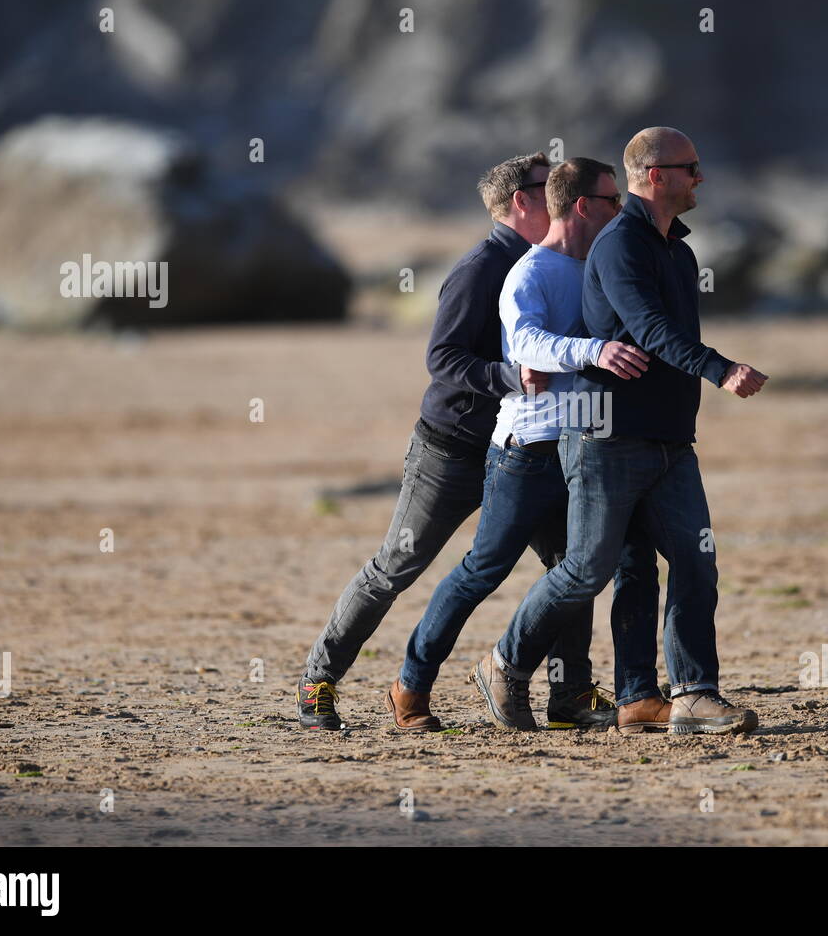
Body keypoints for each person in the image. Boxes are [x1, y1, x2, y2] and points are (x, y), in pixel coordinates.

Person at [476, 127, 769, 736]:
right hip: (604, 432)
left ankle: (677, 695)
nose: (701, 177)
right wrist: (721, 369)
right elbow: (649, 327)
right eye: (691, 167)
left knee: (692, 560)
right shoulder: (619, 245)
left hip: (668, 436)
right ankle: (506, 661)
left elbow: (661, 332)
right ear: (655, 175)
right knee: (589, 566)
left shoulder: (676, 250)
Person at [297, 151, 575, 731]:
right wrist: (508, 377)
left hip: (527, 446)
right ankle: (318, 682)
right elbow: (441, 358)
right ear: (520, 201)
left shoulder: (551, 262)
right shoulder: (480, 268)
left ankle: (569, 693)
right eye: (549, 187)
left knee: (570, 566)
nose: (561, 197)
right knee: (398, 564)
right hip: (453, 448)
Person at [395, 157, 656, 732]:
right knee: (483, 570)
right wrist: (592, 353)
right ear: (585, 207)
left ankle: (569, 697)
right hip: (524, 449)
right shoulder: (529, 272)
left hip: (580, 447)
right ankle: (411, 686)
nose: (623, 210)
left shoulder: (595, 266)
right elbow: (528, 344)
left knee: (574, 571)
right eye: (614, 201)